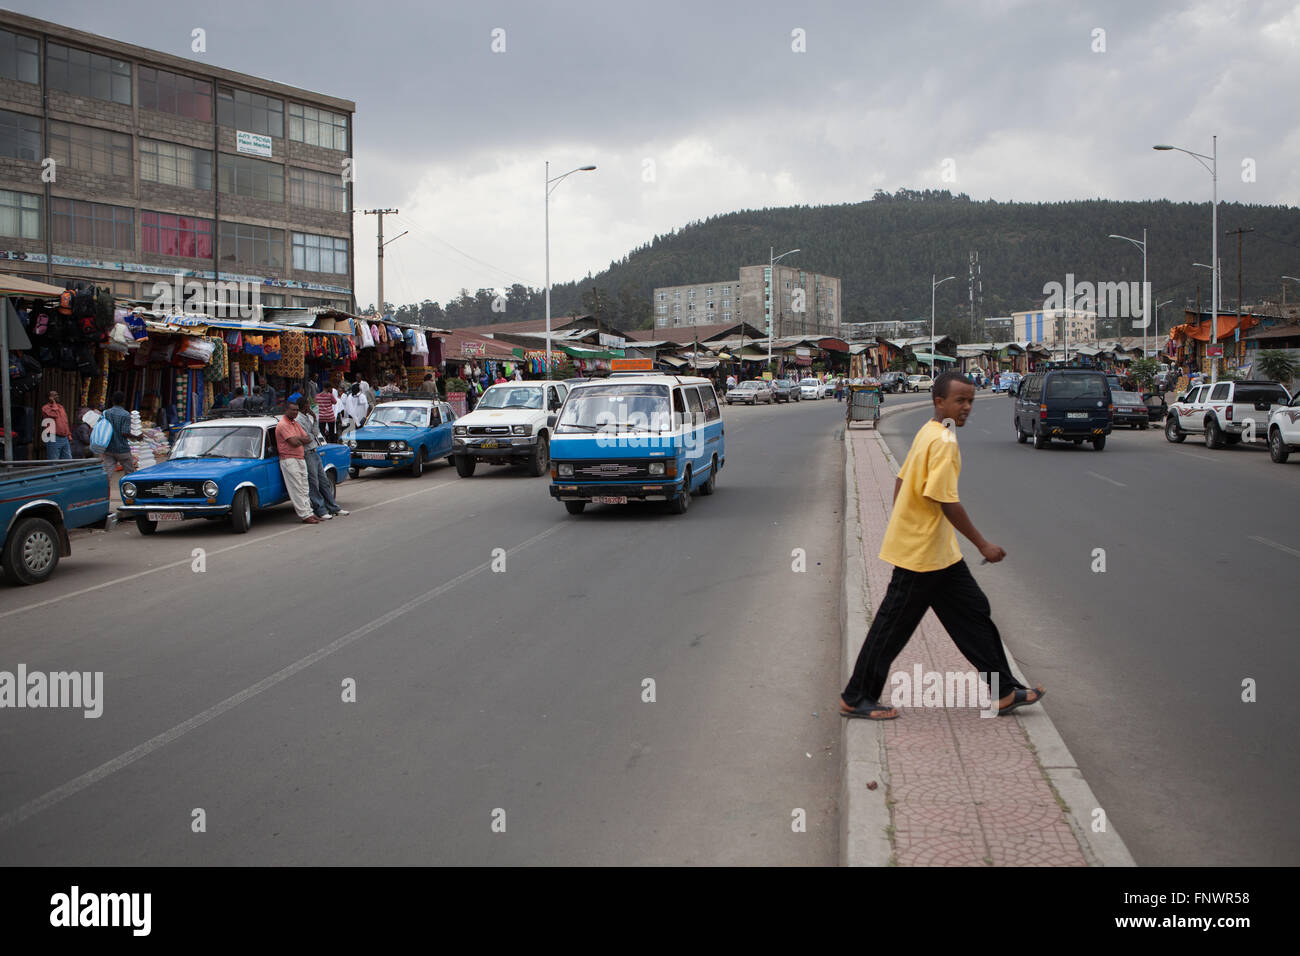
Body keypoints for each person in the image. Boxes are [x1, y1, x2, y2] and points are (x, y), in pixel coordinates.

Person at [840, 371, 1045, 720]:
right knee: (892, 626)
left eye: (970, 401)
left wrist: (902, 519)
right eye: (960, 401)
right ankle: (857, 696)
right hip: (921, 555)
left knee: (974, 611)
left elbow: (903, 479)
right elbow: (945, 501)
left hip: (938, 553)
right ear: (940, 402)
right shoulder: (944, 442)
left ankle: (1005, 690)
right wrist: (983, 545)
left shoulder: (932, 430)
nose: (966, 407)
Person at [293, 393, 348, 521]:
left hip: (314, 451)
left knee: (323, 481)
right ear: (304, 406)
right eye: (308, 404)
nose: (310, 407)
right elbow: (306, 438)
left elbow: (316, 433)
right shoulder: (299, 420)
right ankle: (320, 510)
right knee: (313, 483)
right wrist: (311, 435)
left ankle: (334, 507)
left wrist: (315, 421)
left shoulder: (307, 417)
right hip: (307, 453)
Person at [275, 400, 319, 524]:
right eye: (293, 410)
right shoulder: (283, 424)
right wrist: (301, 439)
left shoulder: (294, 423)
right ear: (286, 410)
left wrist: (299, 439)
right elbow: (294, 442)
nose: (295, 412)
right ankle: (304, 515)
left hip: (300, 457)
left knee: (304, 487)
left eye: (296, 410)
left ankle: (309, 512)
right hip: (289, 459)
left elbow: (309, 438)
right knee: (297, 488)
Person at [101, 391, 138, 477]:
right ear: (123, 402)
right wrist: (137, 437)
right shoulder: (125, 414)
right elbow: (125, 433)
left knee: (106, 474)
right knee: (130, 473)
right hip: (122, 449)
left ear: (112, 401)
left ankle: (106, 489)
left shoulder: (106, 413)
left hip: (109, 448)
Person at [40, 390, 72, 460]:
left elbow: (65, 422)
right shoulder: (45, 408)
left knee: (68, 459)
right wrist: (54, 403)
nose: (57, 396)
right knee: (53, 460)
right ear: (49, 398)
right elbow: (54, 415)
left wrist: (68, 435)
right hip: (53, 437)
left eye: (57, 395)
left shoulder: (61, 407)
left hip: (64, 437)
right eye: (54, 395)